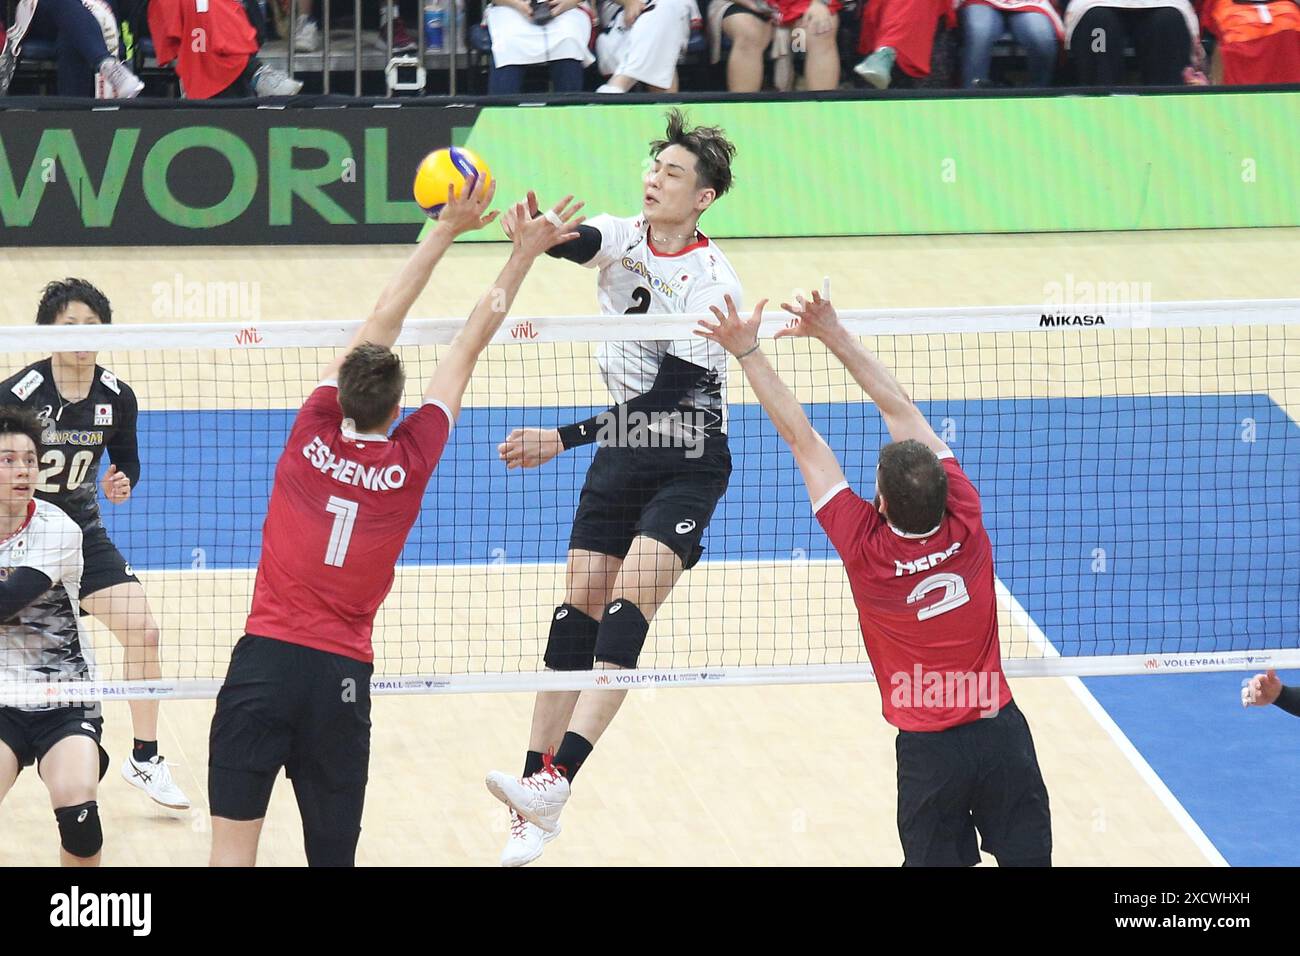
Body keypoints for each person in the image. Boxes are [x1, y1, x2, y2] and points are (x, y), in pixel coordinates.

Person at [206, 181, 584, 867]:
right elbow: (467, 345)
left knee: (230, 861)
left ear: (339, 391)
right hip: (340, 683)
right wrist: (521, 255)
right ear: (398, 408)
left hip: (261, 665)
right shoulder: (411, 458)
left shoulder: (310, 430)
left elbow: (383, 314)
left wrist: (443, 230)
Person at [694, 288, 1052, 867]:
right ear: (945, 487)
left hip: (929, 755)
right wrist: (833, 332)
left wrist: (747, 351)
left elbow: (802, 439)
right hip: (998, 731)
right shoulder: (966, 512)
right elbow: (900, 409)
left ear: (880, 504)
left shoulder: (864, 547)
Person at [485, 109, 742, 868]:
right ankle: (534, 801)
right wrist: (537, 237)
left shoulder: (713, 282)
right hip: (621, 458)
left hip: (687, 454)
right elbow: (583, 241)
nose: (655, 180)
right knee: (578, 608)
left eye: (673, 174)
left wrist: (559, 439)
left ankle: (557, 780)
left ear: (704, 198)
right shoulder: (626, 236)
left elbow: (669, 398)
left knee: (629, 602)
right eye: (653, 168)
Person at [0, 280, 190, 812]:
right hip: (21, 538)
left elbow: (127, 460)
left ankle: (146, 757)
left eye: (92, 325)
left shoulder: (116, 395)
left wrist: (123, 480)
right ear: (46, 334)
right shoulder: (16, 395)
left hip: (84, 537)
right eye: (69, 326)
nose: (82, 336)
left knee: (145, 631)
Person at [0, 407, 109, 867]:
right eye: (8, 460)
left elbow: (7, 600)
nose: (23, 469)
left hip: (63, 697)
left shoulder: (57, 529)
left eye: (29, 459)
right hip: (1, 698)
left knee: (79, 813)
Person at [0, 0, 144, 97]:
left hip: (88, 15)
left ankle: (72, 120)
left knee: (71, 38)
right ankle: (105, 62)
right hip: (36, 12)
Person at [483, 0, 594, 93]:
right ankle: (501, 109)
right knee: (508, 42)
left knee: (569, 39)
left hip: (568, 8)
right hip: (510, 7)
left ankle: (569, 109)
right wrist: (518, 5)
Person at [594, 0, 699, 93]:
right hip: (621, 23)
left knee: (668, 7)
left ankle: (620, 83)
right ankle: (669, 109)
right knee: (664, 37)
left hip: (670, 14)